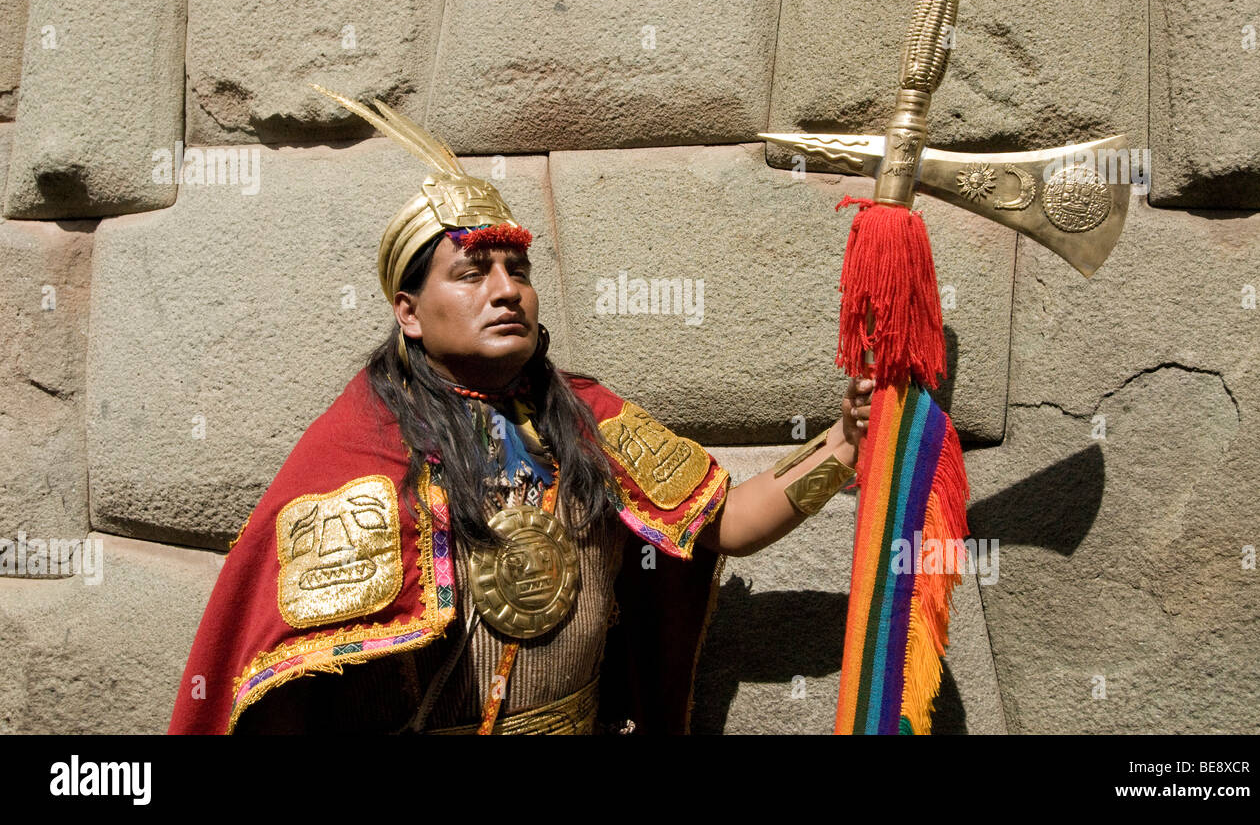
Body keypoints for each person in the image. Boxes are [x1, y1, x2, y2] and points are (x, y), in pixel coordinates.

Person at [167, 88, 875, 735]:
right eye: (473, 274)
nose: (507, 292)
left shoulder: (590, 417)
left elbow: (731, 524)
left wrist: (844, 444)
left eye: (520, 272)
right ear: (409, 314)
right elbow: (269, 664)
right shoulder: (354, 452)